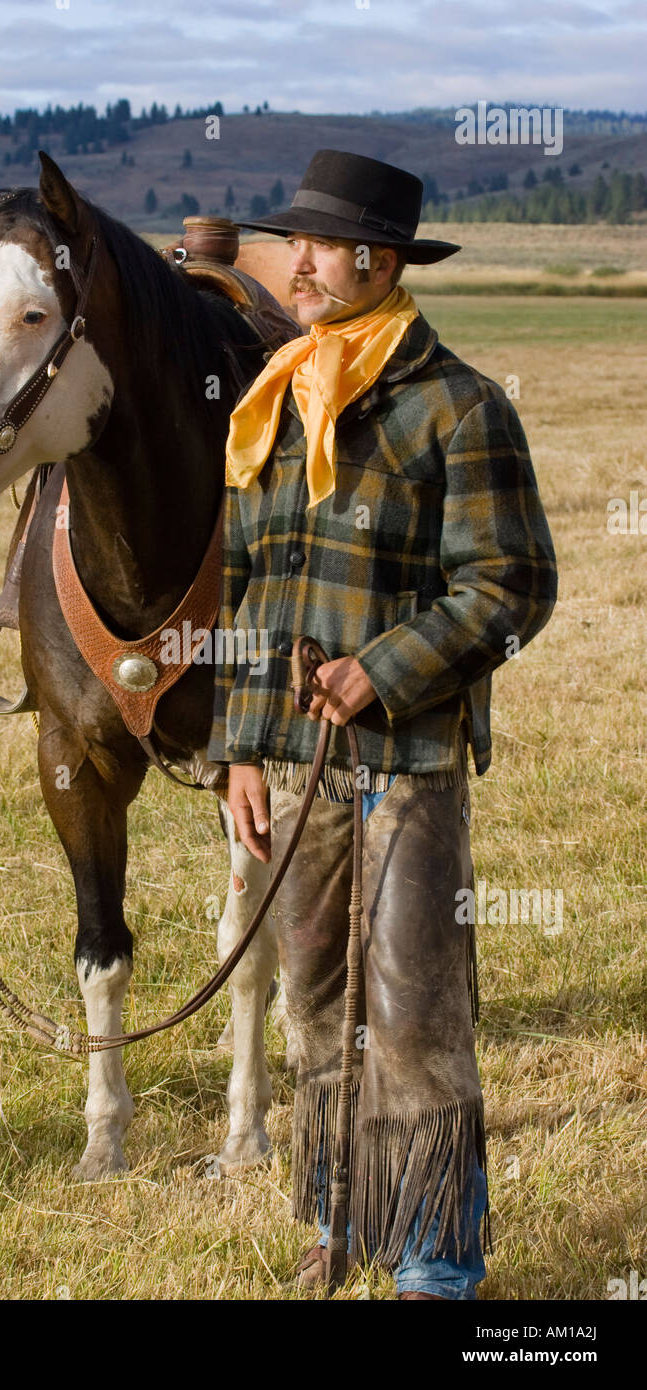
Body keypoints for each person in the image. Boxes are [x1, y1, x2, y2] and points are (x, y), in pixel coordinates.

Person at [206, 150, 558, 1299]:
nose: (294, 264)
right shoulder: (273, 400)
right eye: (290, 241)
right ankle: (332, 1214)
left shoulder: (457, 406)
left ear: (379, 260)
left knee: (412, 1014)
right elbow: (246, 589)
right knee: (311, 1000)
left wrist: (381, 674)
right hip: (292, 769)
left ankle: (437, 1261)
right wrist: (237, 750)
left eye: (320, 244)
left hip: (403, 763)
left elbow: (511, 584)